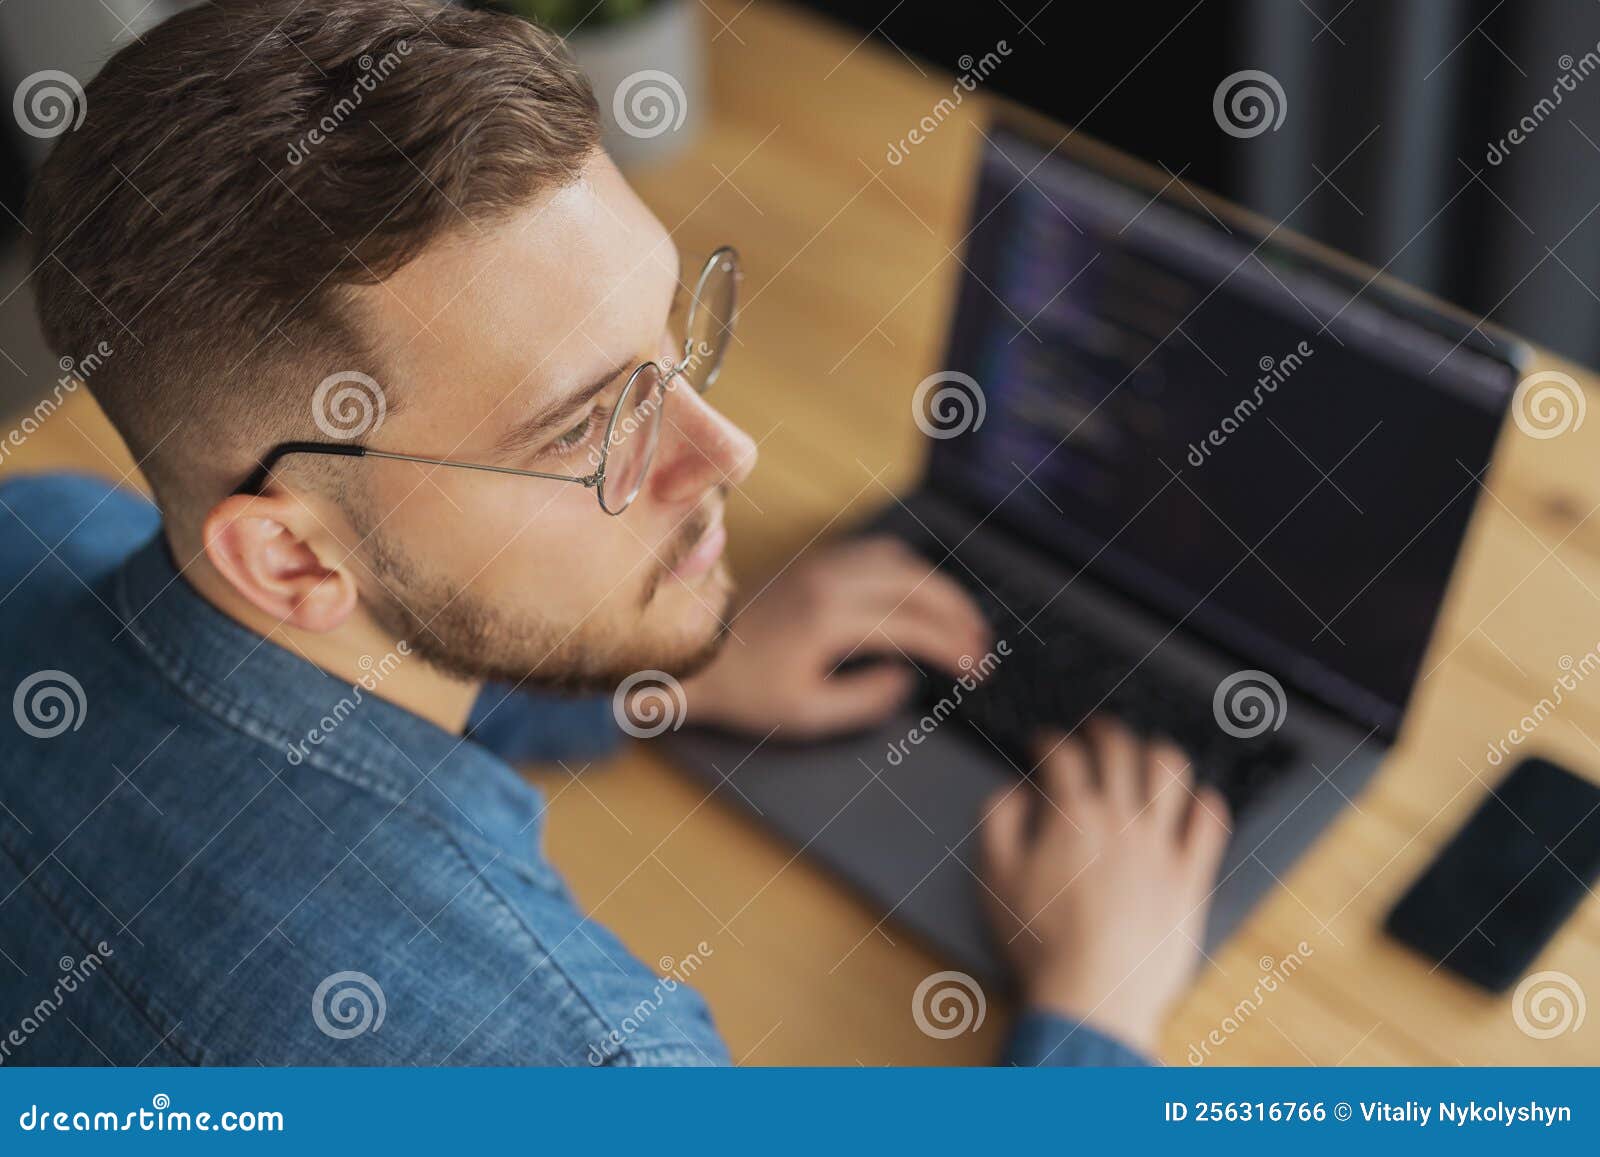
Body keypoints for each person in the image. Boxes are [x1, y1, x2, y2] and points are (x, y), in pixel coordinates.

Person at [0, 0, 1228, 1066]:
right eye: (586, 429)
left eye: (667, 335)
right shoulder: (584, 1060)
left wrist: (659, 681)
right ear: (291, 557)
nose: (727, 453)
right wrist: (1097, 1012)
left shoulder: (43, 526)